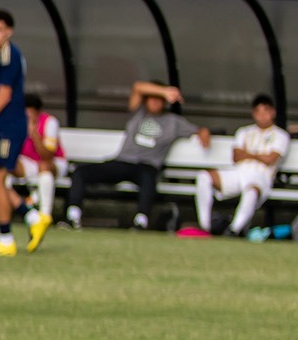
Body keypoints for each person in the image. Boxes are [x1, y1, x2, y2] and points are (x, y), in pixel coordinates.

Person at [64, 80, 210, 231]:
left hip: (147, 166)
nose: (154, 101)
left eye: (159, 99)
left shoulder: (173, 122)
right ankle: (73, 216)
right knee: (80, 172)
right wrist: (164, 91)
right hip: (122, 162)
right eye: (151, 97)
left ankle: (141, 221)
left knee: (149, 178)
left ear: (165, 102)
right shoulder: (137, 113)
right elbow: (137, 87)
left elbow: (199, 130)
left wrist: (204, 133)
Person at [0, 9, 53, 256]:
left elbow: (4, 95)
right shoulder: (1, 55)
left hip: (9, 126)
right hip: (3, 127)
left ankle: (5, 240)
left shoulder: (8, 56)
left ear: (9, 32)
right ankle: (33, 217)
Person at [192, 94, 288, 237]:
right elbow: (236, 156)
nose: (261, 116)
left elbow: (270, 159)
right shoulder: (244, 131)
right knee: (204, 177)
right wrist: (259, 155)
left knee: (252, 191)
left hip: (261, 176)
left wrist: (248, 153)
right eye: (258, 112)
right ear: (253, 113)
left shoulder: (281, 135)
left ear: (272, 112)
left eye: (265, 111)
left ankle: (233, 230)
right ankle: (205, 227)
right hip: (239, 172)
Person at [14, 93, 65, 224]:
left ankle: (45, 214)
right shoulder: (17, 121)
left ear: (37, 112)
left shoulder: (50, 122)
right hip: (29, 162)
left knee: (44, 166)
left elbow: (47, 156)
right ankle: (8, 211)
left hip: (54, 163)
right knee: (6, 166)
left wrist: (34, 134)